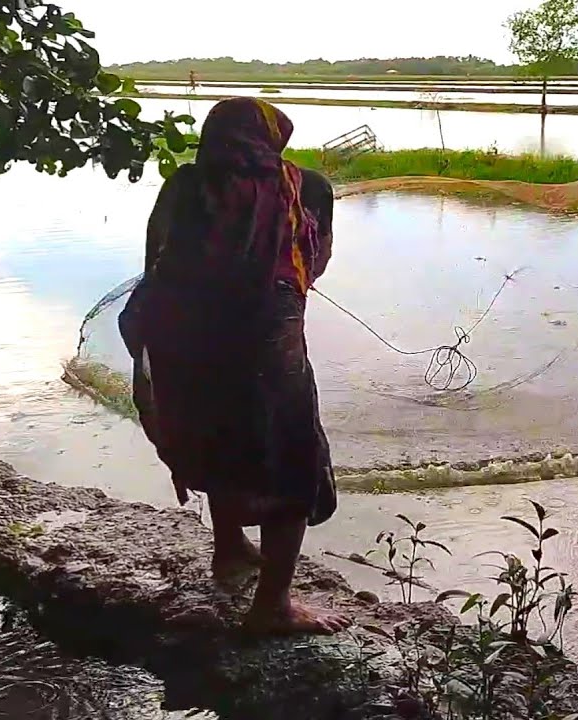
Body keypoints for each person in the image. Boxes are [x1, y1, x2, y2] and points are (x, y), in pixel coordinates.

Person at [119, 97, 349, 635]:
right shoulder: (308, 187)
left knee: (219, 439)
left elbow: (156, 259)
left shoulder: (184, 186)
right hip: (268, 351)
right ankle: (273, 606)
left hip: (189, 347)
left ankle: (229, 548)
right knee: (289, 462)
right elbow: (314, 263)